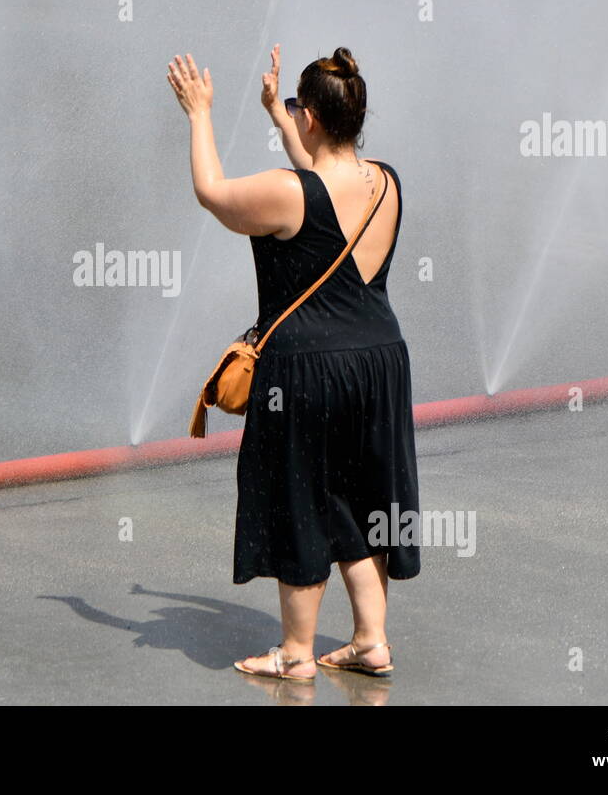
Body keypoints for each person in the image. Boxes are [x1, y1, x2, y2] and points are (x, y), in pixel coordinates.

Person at [167, 44, 420, 683]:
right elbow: (321, 178)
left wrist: (200, 113)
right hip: (381, 361)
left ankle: (295, 652)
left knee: (301, 496)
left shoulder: (287, 193)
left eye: (295, 112)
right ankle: (370, 640)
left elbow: (212, 193)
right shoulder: (386, 180)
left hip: (309, 367)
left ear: (311, 117)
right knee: (360, 499)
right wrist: (281, 117)